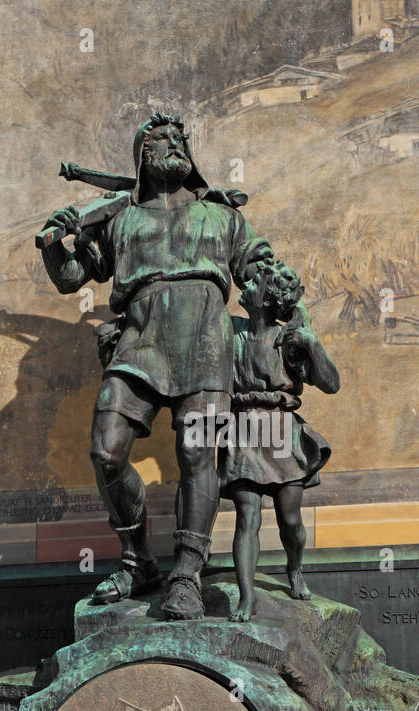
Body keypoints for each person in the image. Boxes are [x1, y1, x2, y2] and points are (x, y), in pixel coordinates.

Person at [40, 113, 275, 619]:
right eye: (163, 139)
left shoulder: (221, 215)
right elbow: (73, 276)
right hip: (139, 339)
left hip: (207, 343)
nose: (175, 144)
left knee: (197, 453)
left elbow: (259, 265)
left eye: (181, 139)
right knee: (106, 451)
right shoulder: (120, 217)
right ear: (142, 156)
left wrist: (277, 299)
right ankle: (138, 560)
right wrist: (56, 246)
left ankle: (186, 575)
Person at [220, 259, 339, 622]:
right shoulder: (232, 330)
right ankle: (247, 597)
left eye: (254, 282)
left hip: (281, 431)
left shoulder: (288, 339)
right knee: (247, 517)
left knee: (290, 519)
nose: (246, 284)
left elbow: (331, 384)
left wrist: (313, 343)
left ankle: (294, 567)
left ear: (268, 299)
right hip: (242, 430)